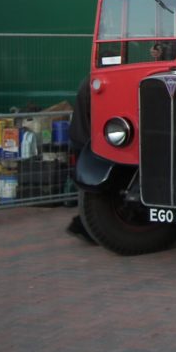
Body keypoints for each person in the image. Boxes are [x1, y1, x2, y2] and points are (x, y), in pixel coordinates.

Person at [66, 76, 96, 244]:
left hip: (79, 138)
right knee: (90, 188)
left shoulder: (87, 82)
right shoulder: (95, 84)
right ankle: (84, 225)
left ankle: (83, 224)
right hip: (86, 140)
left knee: (85, 186)